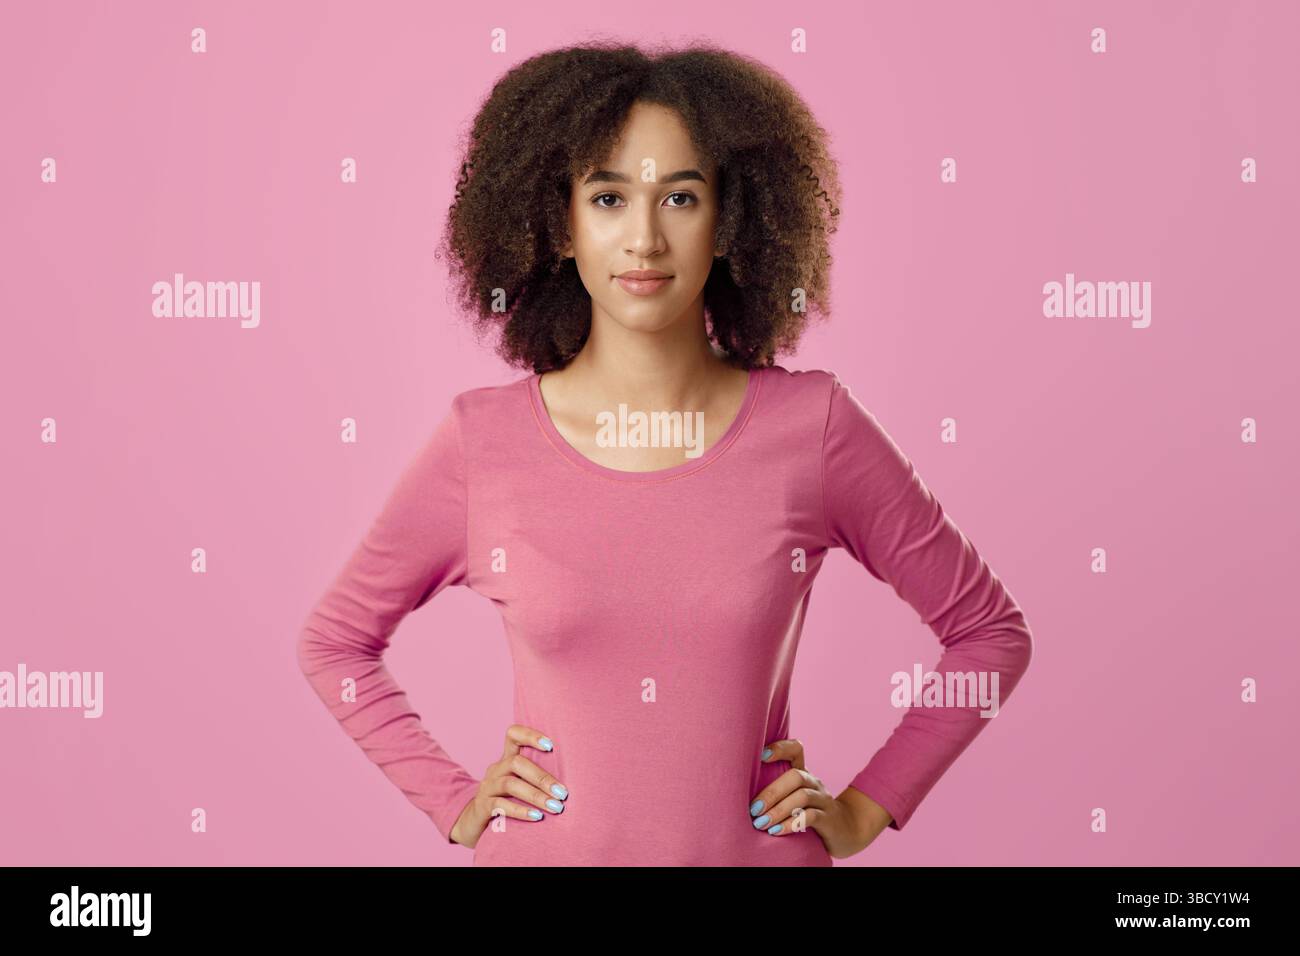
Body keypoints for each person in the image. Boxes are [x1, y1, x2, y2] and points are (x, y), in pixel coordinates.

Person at [296, 42, 1034, 866]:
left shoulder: (813, 428)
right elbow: (335, 643)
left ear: (729, 223)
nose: (644, 238)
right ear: (560, 225)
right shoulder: (483, 445)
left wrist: (867, 808)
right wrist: (453, 801)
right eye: (608, 197)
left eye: (679, 197)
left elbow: (989, 634)